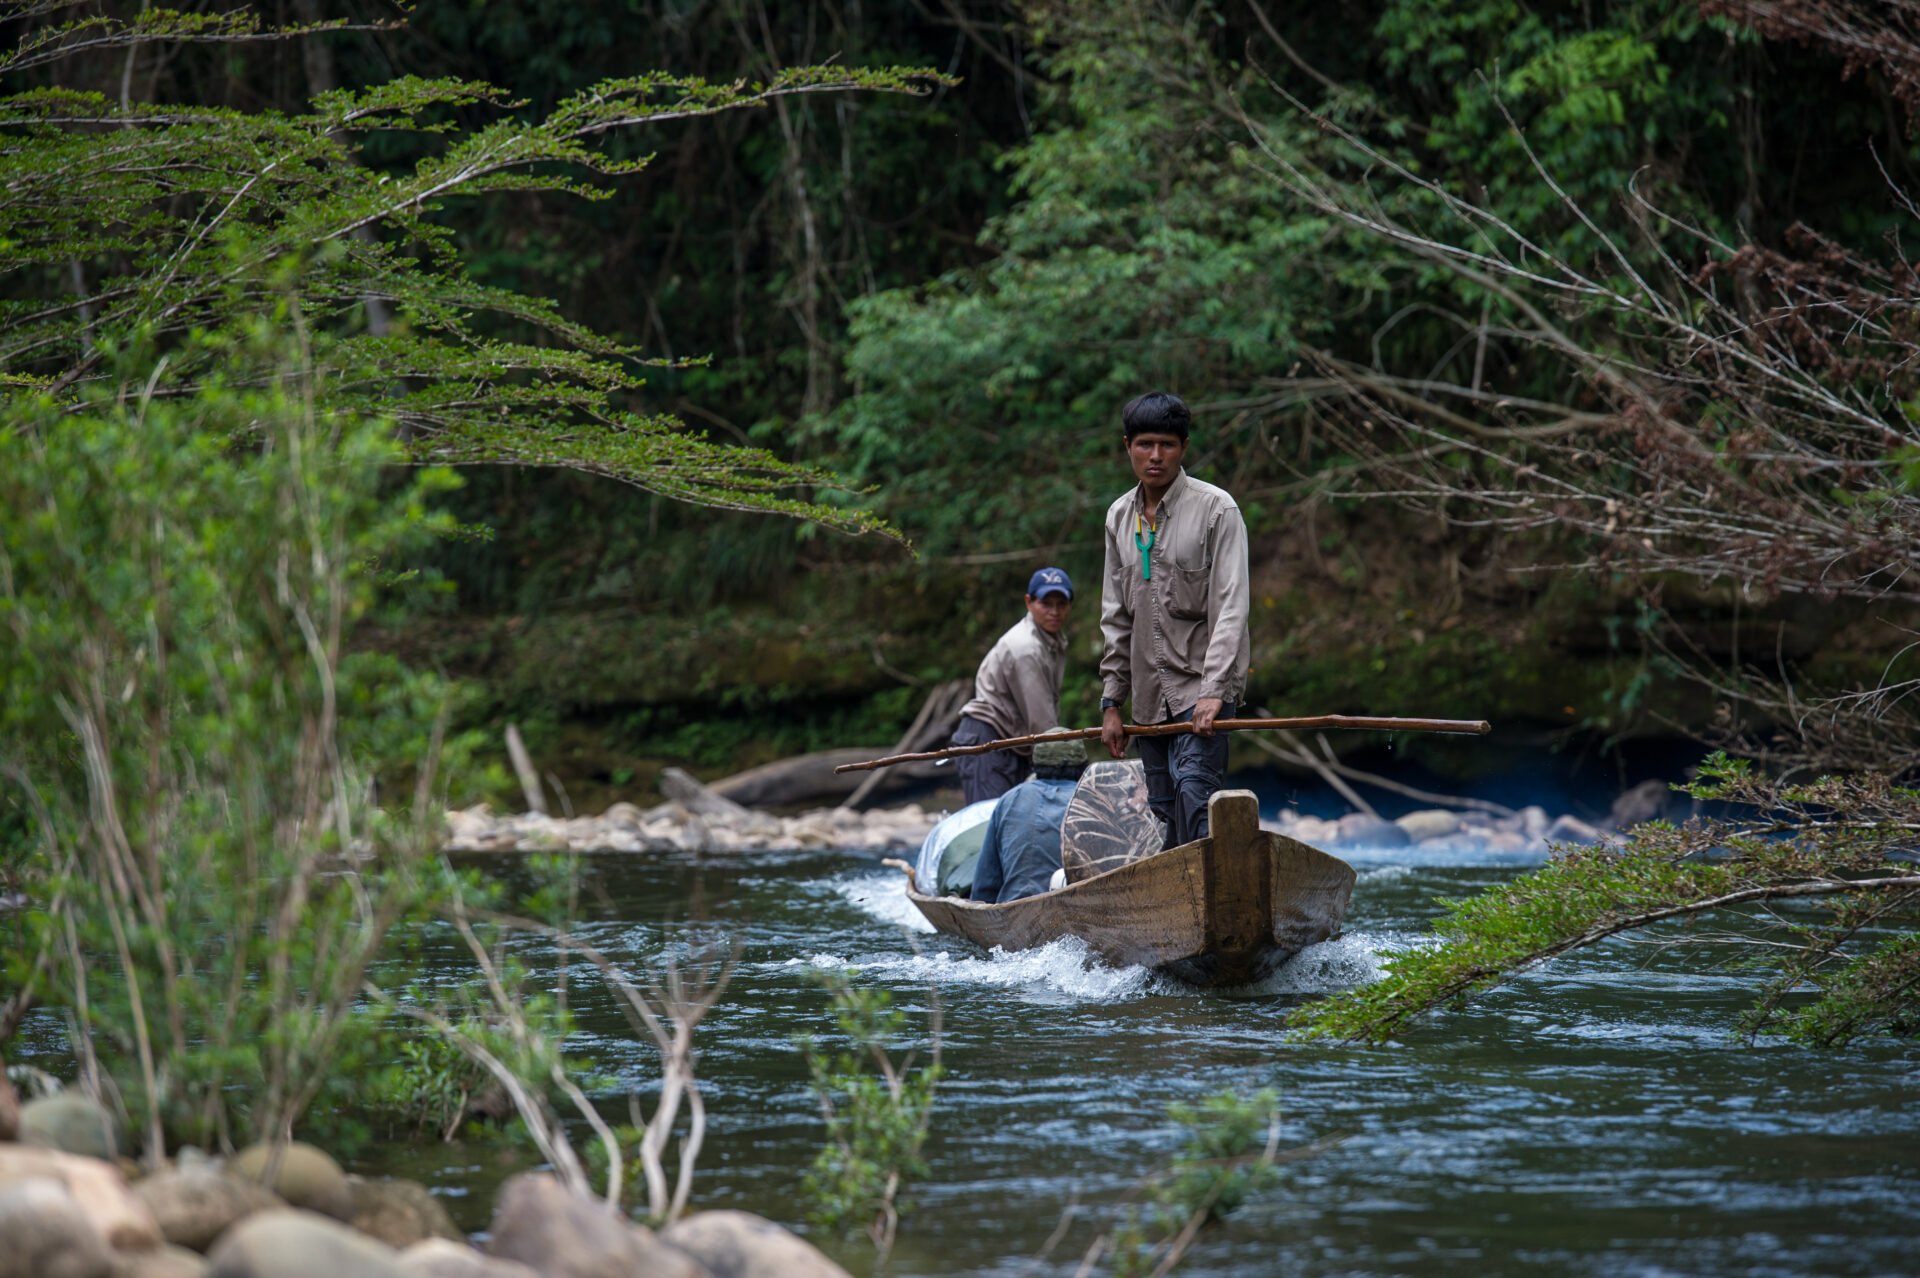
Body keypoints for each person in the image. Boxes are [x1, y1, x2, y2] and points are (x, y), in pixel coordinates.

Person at [1096, 391, 1250, 848]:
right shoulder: (1118, 518)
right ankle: (1180, 911)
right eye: (1145, 444)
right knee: (1163, 812)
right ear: (1128, 446)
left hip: (1201, 691)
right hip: (1146, 701)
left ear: (1184, 447)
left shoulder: (1217, 509)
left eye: (1166, 444)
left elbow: (1231, 607)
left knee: (1198, 800)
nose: (1155, 456)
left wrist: (1213, 692)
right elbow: (1114, 616)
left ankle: (1211, 906)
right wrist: (1111, 702)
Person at [950, 566, 1073, 805]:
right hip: (987, 741)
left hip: (1012, 744)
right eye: (1046, 603)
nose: (1054, 612)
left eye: (1061, 604)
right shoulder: (1025, 648)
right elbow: (1042, 723)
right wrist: (1068, 761)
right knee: (989, 822)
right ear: (1029, 602)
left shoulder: (1052, 641)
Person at [969, 732, 1089, 903]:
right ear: (1083, 767)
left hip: (1011, 911)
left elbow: (985, 886)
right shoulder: (1090, 800)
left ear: (1035, 764)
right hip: (1077, 909)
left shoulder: (1009, 798)